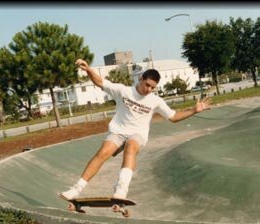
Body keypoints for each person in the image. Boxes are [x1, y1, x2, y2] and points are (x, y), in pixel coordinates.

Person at [60, 59, 211, 205]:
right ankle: (76, 189)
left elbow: (173, 117)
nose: (149, 90)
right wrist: (88, 70)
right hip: (118, 131)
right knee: (104, 152)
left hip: (137, 134)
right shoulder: (123, 91)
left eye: (153, 87)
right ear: (140, 79)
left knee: (131, 147)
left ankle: (121, 190)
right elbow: (100, 82)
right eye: (147, 85)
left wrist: (194, 110)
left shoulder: (155, 101)